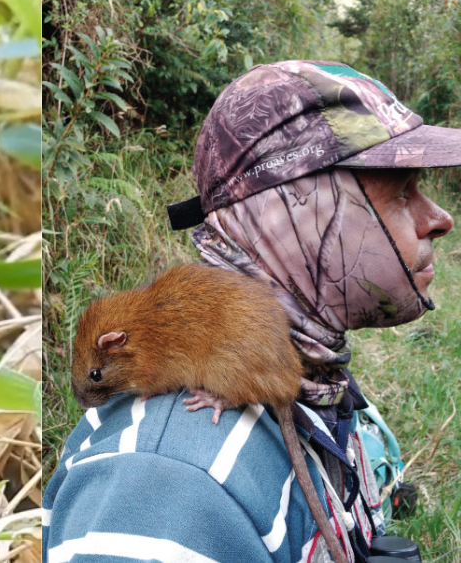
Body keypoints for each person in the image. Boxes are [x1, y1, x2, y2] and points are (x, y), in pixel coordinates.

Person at [44, 60, 461, 562]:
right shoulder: (169, 483)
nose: (441, 219)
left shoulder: (316, 372)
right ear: (301, 213)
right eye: (401, 192)